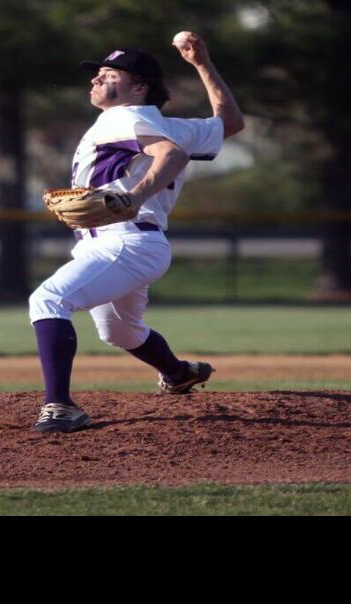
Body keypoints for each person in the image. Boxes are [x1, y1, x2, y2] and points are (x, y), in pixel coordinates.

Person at [29, 35, 244, 433]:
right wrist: (203, 64)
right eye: (97, 73)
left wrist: (134, 195)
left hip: (124, 238)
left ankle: (60, 406)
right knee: (119, 330)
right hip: (135, 243)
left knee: (49, 299)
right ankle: (178, 373)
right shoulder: (171, 125)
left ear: (139, 87)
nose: (96, 79)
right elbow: (231, 123)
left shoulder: (122, 118)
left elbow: (172, 155)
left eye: (109, 74)